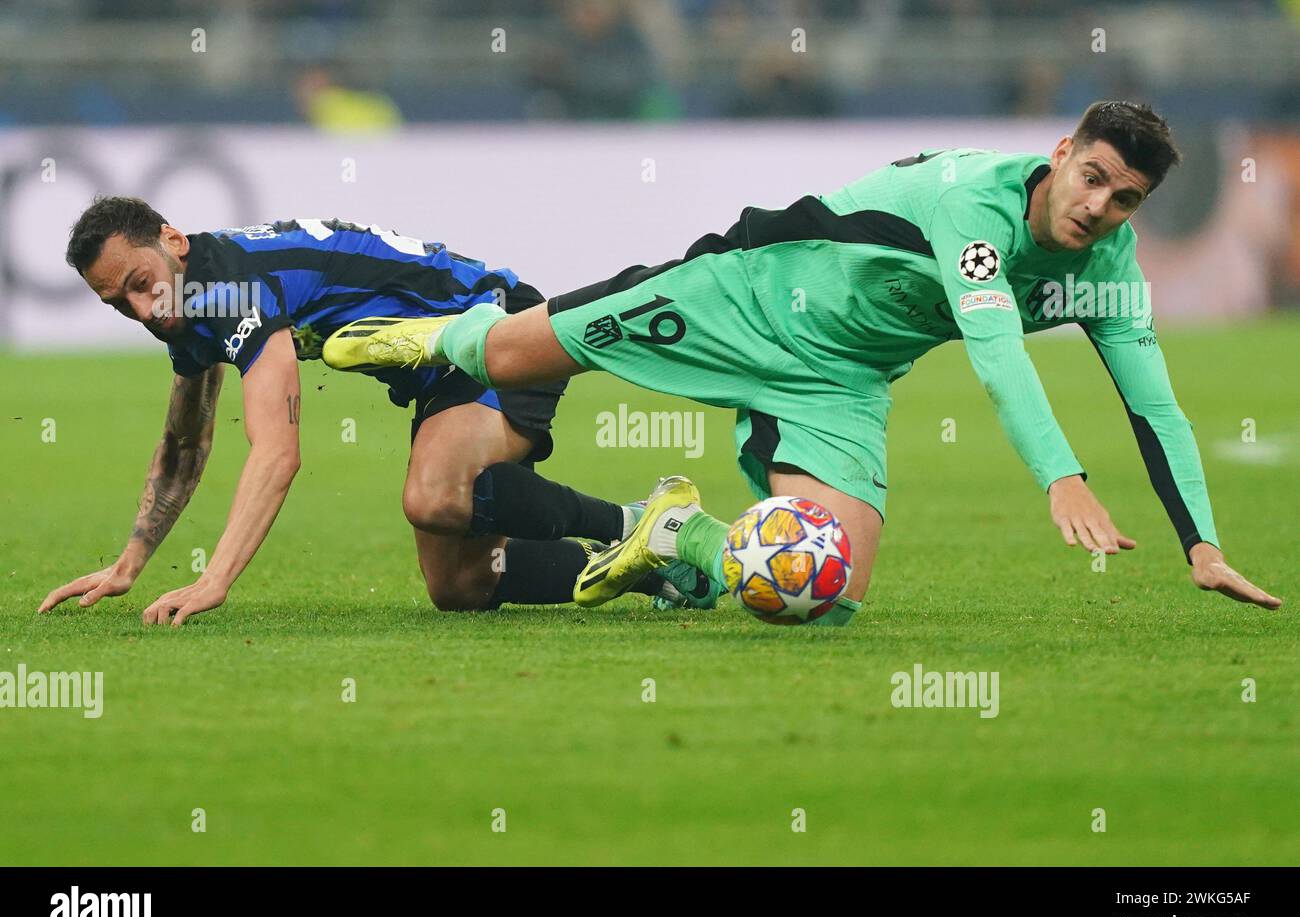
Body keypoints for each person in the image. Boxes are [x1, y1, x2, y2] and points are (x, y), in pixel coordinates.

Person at [321, 102, 1281, 626]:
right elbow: (995, 353)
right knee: (511, 347)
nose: (1100, 207)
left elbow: (1153, 404)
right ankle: (423, 336)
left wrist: (1202, 546)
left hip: (842, 380)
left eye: (1125, 198)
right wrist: (1061, 479)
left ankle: (678, 538)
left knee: (832, 594)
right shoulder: (975, 209)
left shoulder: (1107, 265)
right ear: (1062, 152)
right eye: (1093, 177)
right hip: (750, 292)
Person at [39, 202, 714, 626]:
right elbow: (184, 448)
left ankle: (637, 524)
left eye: (139, 282)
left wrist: (215, 579)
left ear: (173, 239)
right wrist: (129, 564)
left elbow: (278, 450)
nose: (141, 307)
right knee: (462, 586)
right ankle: (661, 564)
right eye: (118, 303)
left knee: (433, 496)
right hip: (437, 371)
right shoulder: (186, 305)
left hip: (495, 329)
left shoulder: (233, 289)